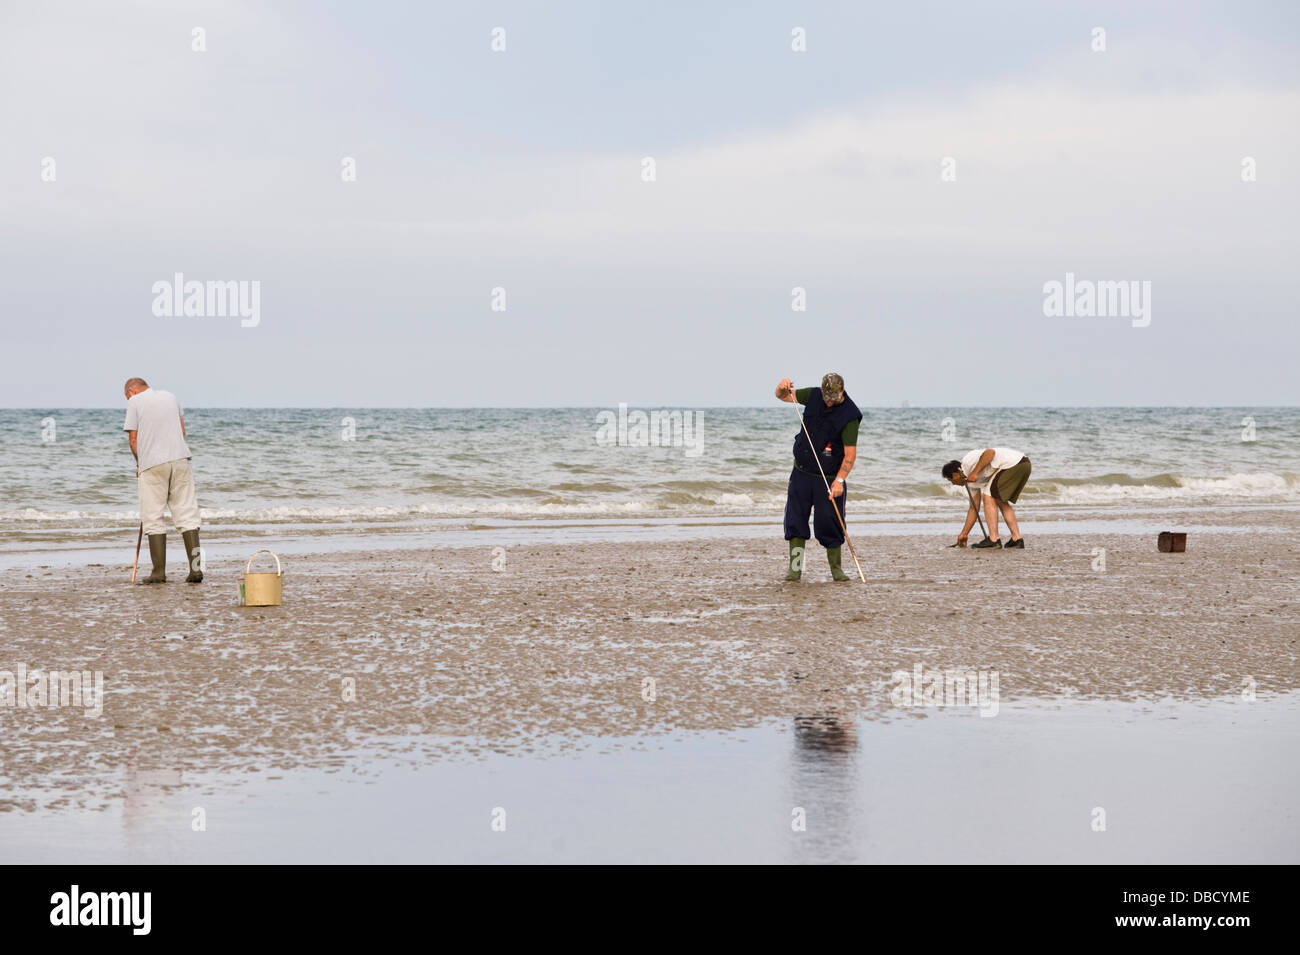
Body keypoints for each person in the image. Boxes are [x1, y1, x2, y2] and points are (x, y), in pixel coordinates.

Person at [775, 373, 861, 581]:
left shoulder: (850, 414)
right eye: (827, 397)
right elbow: (783, 396)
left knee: (829, 523)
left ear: (842, 392)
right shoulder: (813, 395)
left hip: (830, 477)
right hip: (802, 472)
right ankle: (795, 570)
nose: (830, 402)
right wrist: (781, 387)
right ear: (822, 390)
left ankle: (836, 571)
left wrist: (839, 481)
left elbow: (850, 454)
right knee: (795, 521)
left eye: (835, 398)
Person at [123, 377, 203, 583]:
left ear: (131, 391)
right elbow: (182, 431)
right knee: (187, 513)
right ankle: (196, 570)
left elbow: (133, 440)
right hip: (181, 459)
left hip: (152, 464)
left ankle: (158, 573)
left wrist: (139, 464)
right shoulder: (171, 397)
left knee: (152, 516)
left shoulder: (134, 402)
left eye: (126, 397)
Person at [942, 448, 1031, 549]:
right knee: (1000, 501)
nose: (953, 484)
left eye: (951, 480)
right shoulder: (970, 484)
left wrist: (975, 472)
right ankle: (1017, 540)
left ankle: (994, 539)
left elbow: (990, 452)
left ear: (956, 474)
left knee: (988, 496)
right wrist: (964, 534)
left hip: (1015, 463)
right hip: (1023, 465)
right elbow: (973, 508)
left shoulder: (968, 461)